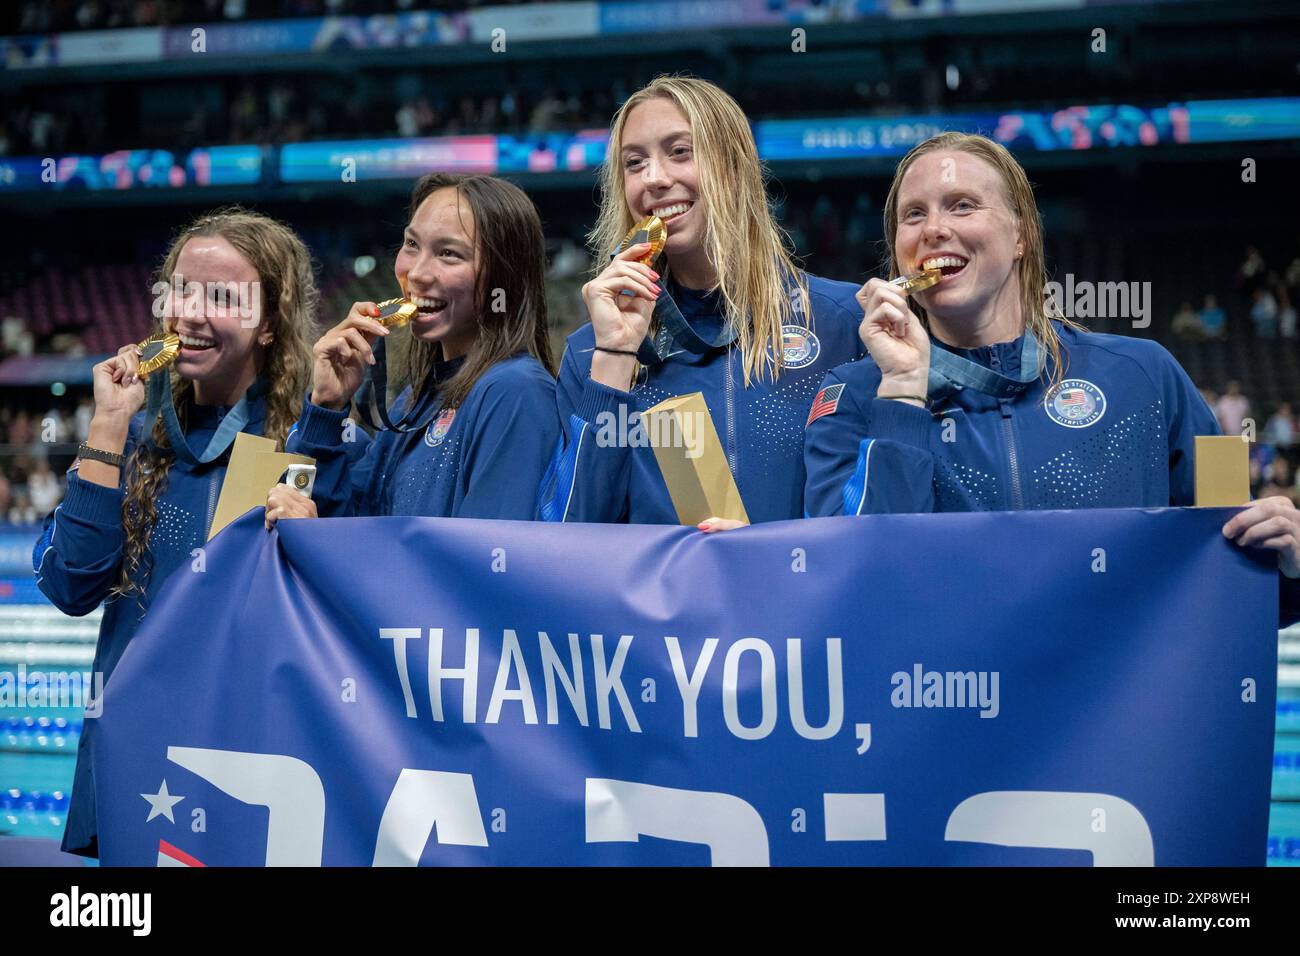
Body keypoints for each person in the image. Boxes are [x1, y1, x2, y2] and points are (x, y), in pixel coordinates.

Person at [803, 132, 1300, 617]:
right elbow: (851, 593)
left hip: (1119, 702)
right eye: (914, 214)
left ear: (1022, 235)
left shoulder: (1150, 375)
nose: (933, 228)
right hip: (941, 697)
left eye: (962, 205)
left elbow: (1237, 569)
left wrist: (1291, 569)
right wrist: (903, 394)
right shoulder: (852, 396)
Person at [33, 207, 318, 857]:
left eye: (221, 297)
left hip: (246, 765)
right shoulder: (134, 429)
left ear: (270, 323)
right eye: (180, 289)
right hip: (134, 755)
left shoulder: (308, 441)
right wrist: (105, 428)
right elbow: (70, 583)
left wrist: (317, 540)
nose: (190, 312)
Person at [539, 76, 864, 529]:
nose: (654, 178)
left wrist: (769, 554)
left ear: (734, 165)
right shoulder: (591, 352)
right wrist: (613, 361)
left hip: (798, 596)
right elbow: (568, 535)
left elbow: (874, 524)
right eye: (635, 163)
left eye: (680, 151)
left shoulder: (844, 323)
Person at [265, 172, 558, 524]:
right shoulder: (413, 401)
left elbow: (483, 565)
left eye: (449, 254)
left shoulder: (515, 392)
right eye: (412, 245)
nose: (416, 273)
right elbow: (348, 521)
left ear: (504, 277)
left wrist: (328, 549)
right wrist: (327, 408)